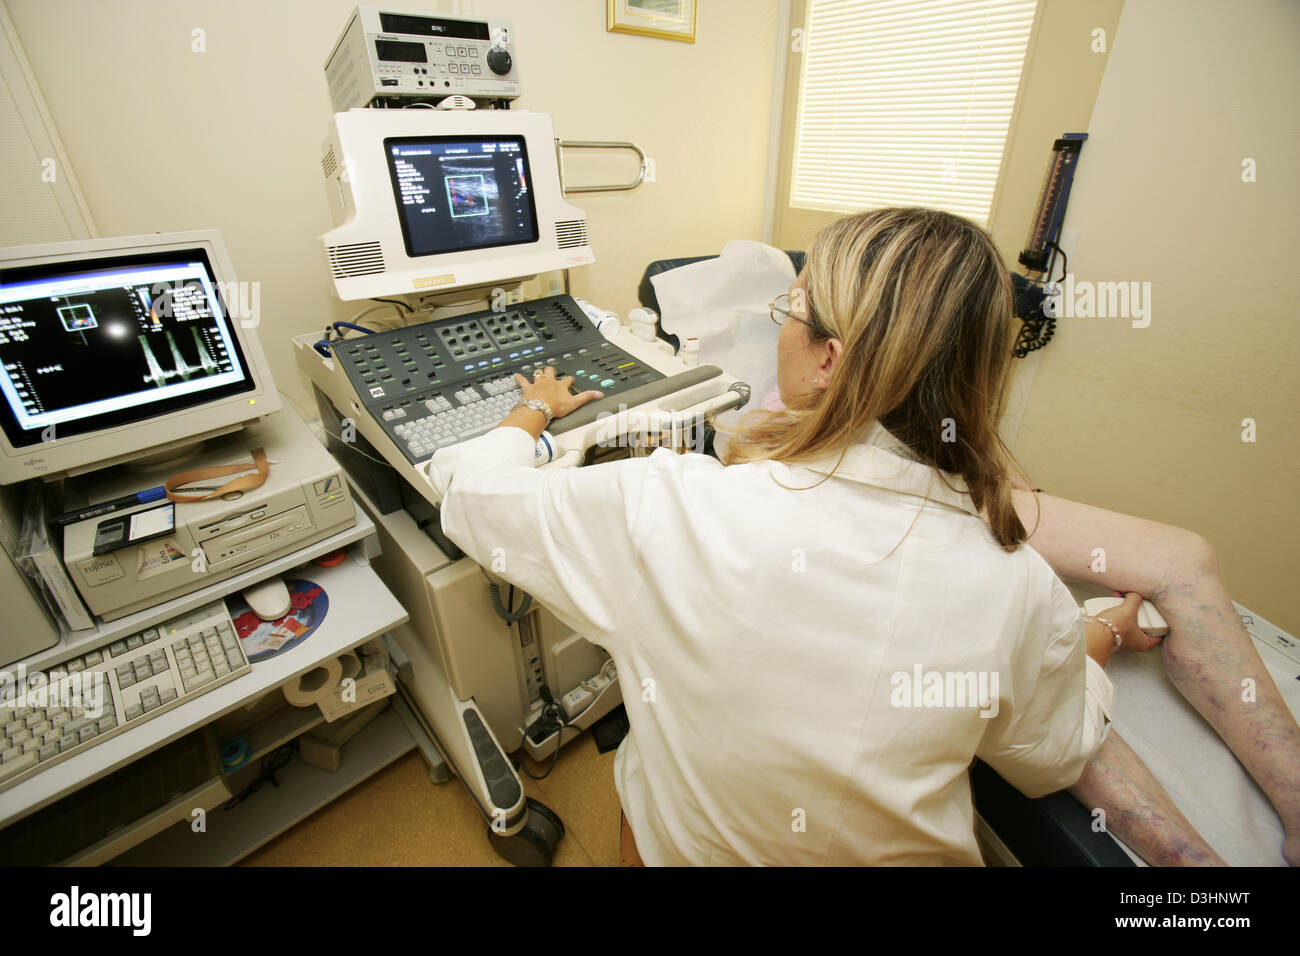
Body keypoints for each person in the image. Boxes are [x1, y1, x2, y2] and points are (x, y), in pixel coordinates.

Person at [422, 206, 1159, 865]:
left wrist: (532, 415)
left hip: (683, 849)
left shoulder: (666, 512)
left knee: (642, 782)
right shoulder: (1020, 585)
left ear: (829, 361)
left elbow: (471, 494)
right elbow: (1050, 759)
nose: (781, 328)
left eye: (790, 310)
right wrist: (1095, 642)